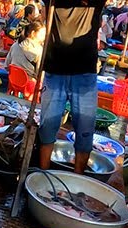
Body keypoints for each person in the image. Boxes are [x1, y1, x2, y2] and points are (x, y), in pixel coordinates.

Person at [37, 0, 104, 173]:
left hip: (85, 74)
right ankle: (43, 174)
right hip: (54, 73)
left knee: (85, 131)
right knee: (47, 128)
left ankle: (78, 179)